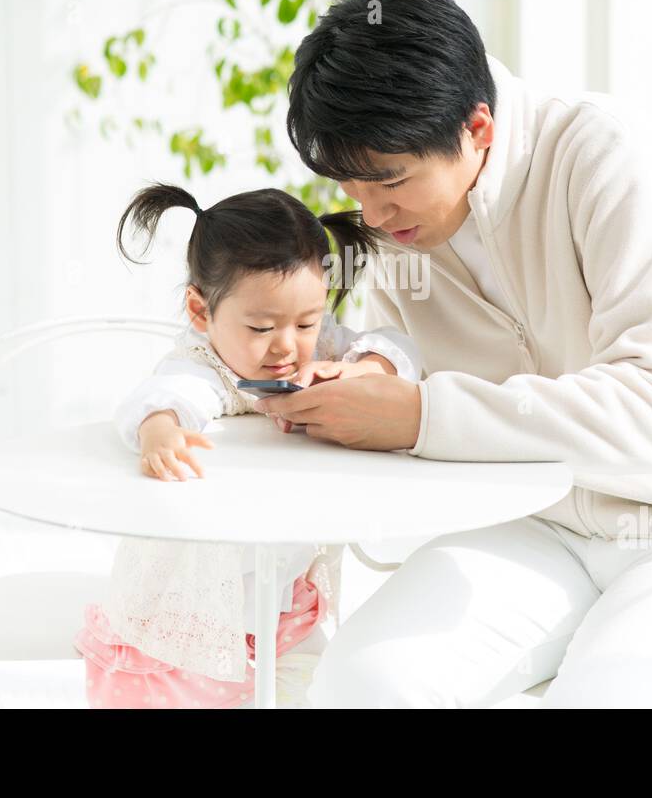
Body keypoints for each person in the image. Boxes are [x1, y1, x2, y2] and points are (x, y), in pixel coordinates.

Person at [256, 0, 652, 707]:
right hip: (541, 521)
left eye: (391, 182)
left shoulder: (611, 162)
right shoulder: (399, 230)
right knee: (361, 684)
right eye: (352, 186)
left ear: (478, 127)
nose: (371, 213)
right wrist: (349, 388)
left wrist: (416, 416)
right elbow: (403, 368)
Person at [73, 182, 421, 708]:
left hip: (282, 605)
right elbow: (170, 392)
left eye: (306, 321)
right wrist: (162, 429)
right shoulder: (205, 363)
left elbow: (399, 345)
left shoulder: (323, 349)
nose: (286, 345)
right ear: (200, 310)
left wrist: (368, 369)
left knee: (325, 690)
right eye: (261, 326)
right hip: (189, 612)